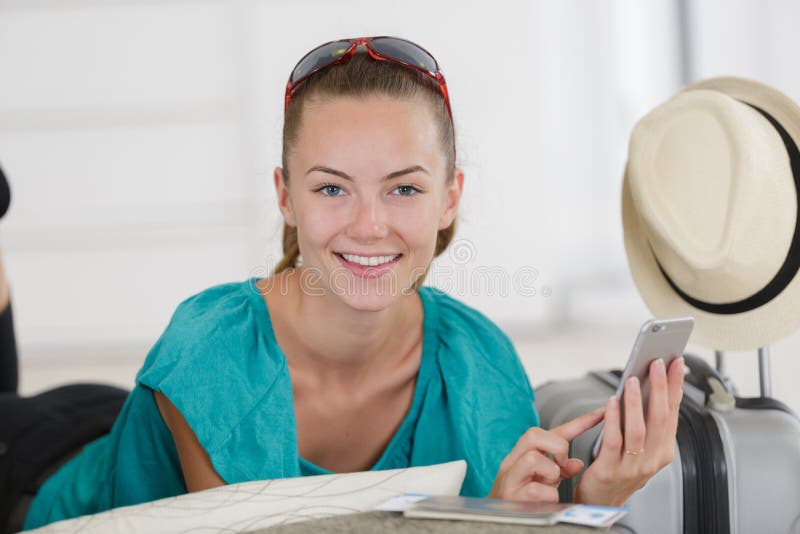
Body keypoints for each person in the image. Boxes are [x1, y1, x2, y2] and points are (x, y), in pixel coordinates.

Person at [7, 36, 684, 531]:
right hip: (32, 467)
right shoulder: (212, 348)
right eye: (332, 187)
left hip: (106, 417)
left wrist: (583, 504)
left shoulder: (480, 364)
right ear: (285, 196)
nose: (368, 225)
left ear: (450, 198)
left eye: (404, 188)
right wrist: (488, 522)